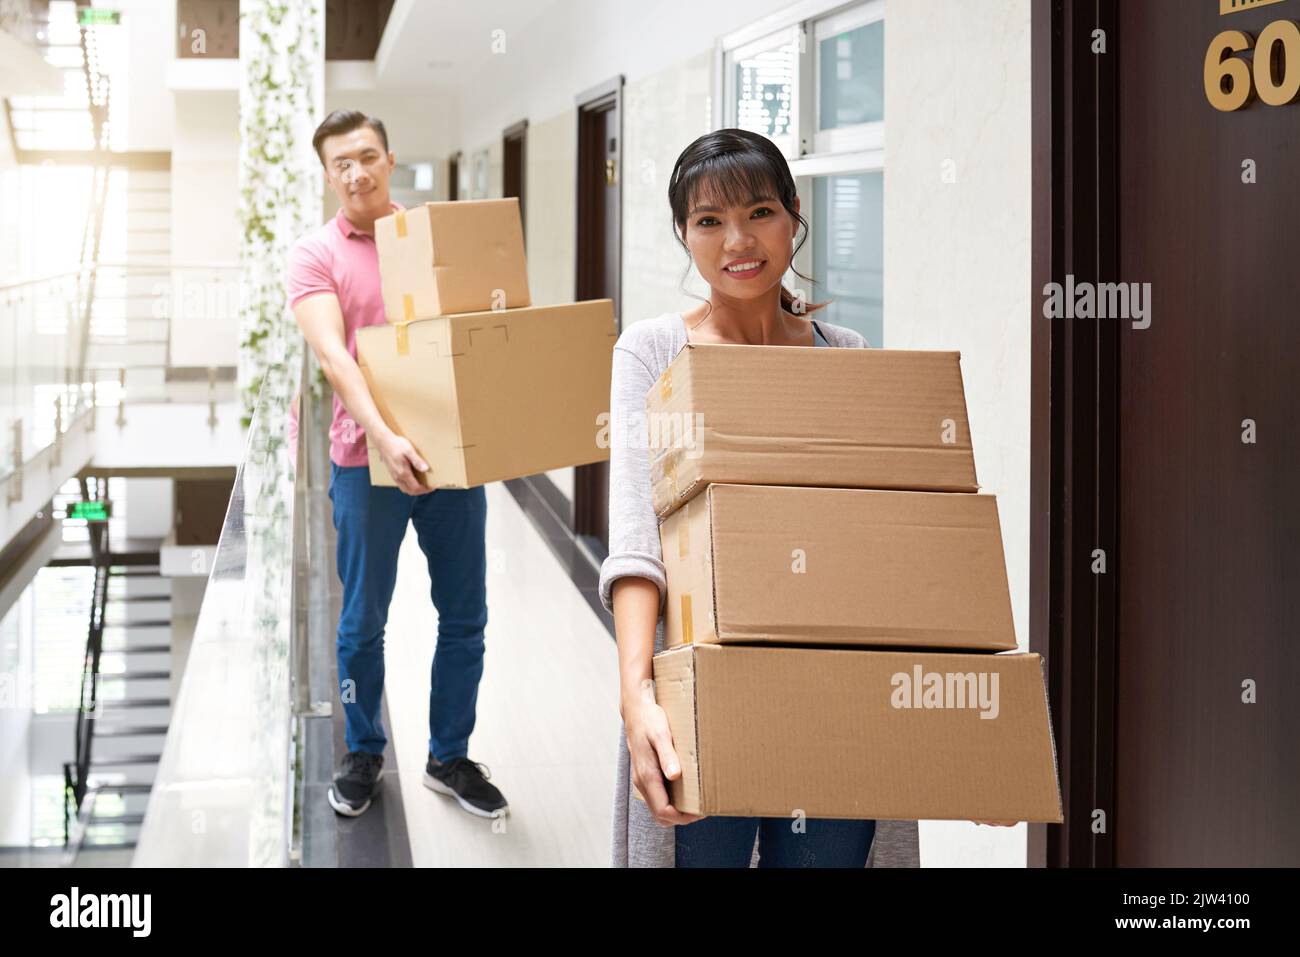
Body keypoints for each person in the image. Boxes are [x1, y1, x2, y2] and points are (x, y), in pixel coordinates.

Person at [598, 129, 1012, 868]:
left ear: (794, 213)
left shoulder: (844, 352)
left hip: (833, 691)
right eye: (708, 221)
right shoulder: (654, 351)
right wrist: (636, 695)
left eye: (759, 211)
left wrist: (964, 731)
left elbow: (892, 542)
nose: (738, 241)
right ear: (684, 234)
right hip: (701, 690)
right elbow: (637, 540)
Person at [287, 109, 507, 820]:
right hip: (363, 460)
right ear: (327, 174)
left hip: (446, 455)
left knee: (465, 614)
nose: (356, 171)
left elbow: (476, 332)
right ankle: (363, 748)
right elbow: (334, 355)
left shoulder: (428, 241)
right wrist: (385, 436)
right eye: (340, 163)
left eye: (367, 155)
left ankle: (449, 754)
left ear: (388, 158)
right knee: (360, 623)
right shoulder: (315, 255)